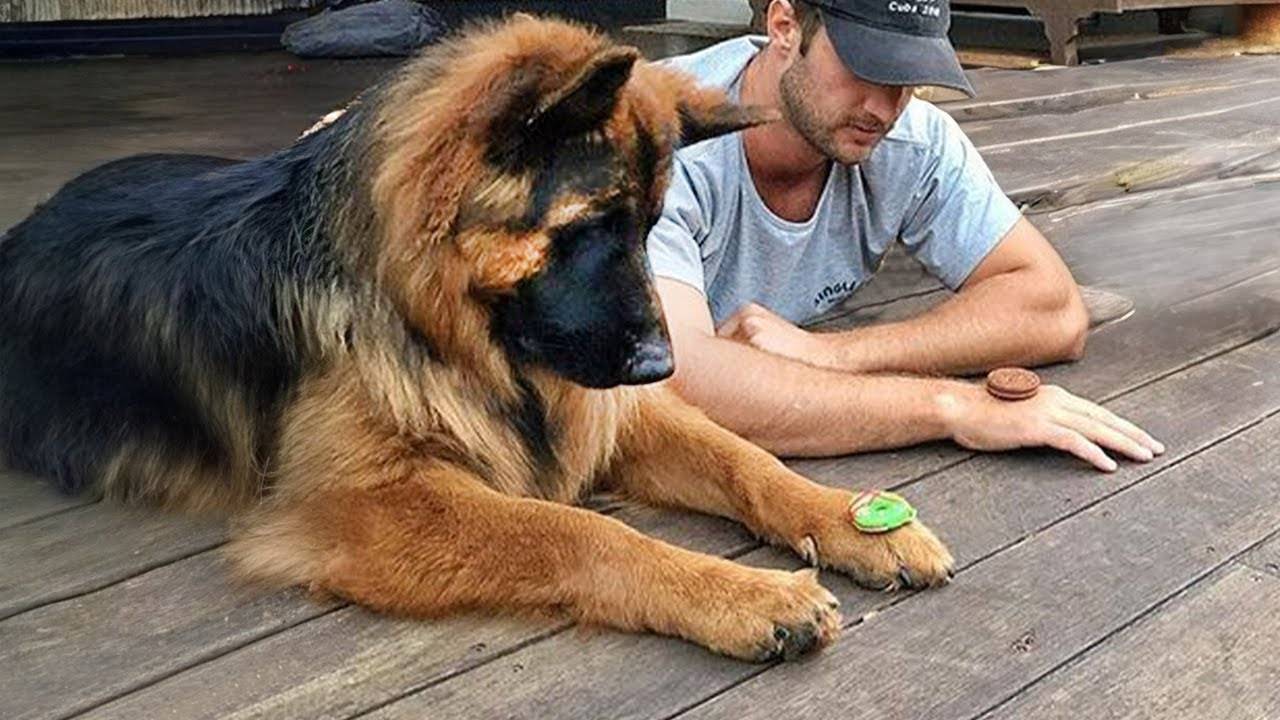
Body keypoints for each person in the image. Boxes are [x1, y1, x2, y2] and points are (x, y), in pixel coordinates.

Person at [647, 0, 1164, 472]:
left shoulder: (912, 141)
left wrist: (835, 354)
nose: (884, 108)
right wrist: (956, 407)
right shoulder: (653, 139)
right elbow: (674, 376)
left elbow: (1054, 311)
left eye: (908, 77)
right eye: (866, 66)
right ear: (785, 26)